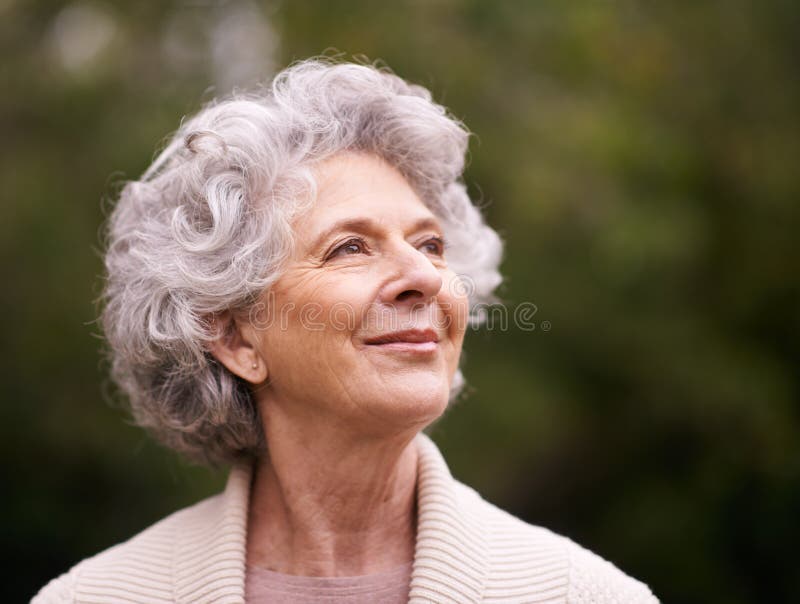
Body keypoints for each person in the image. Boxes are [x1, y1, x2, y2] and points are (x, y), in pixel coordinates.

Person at [34, 59, 658, 603]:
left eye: (431, 244)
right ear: (236, 340)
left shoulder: (586, 596)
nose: (425, 277)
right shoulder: (92, 598)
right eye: (350, 247)